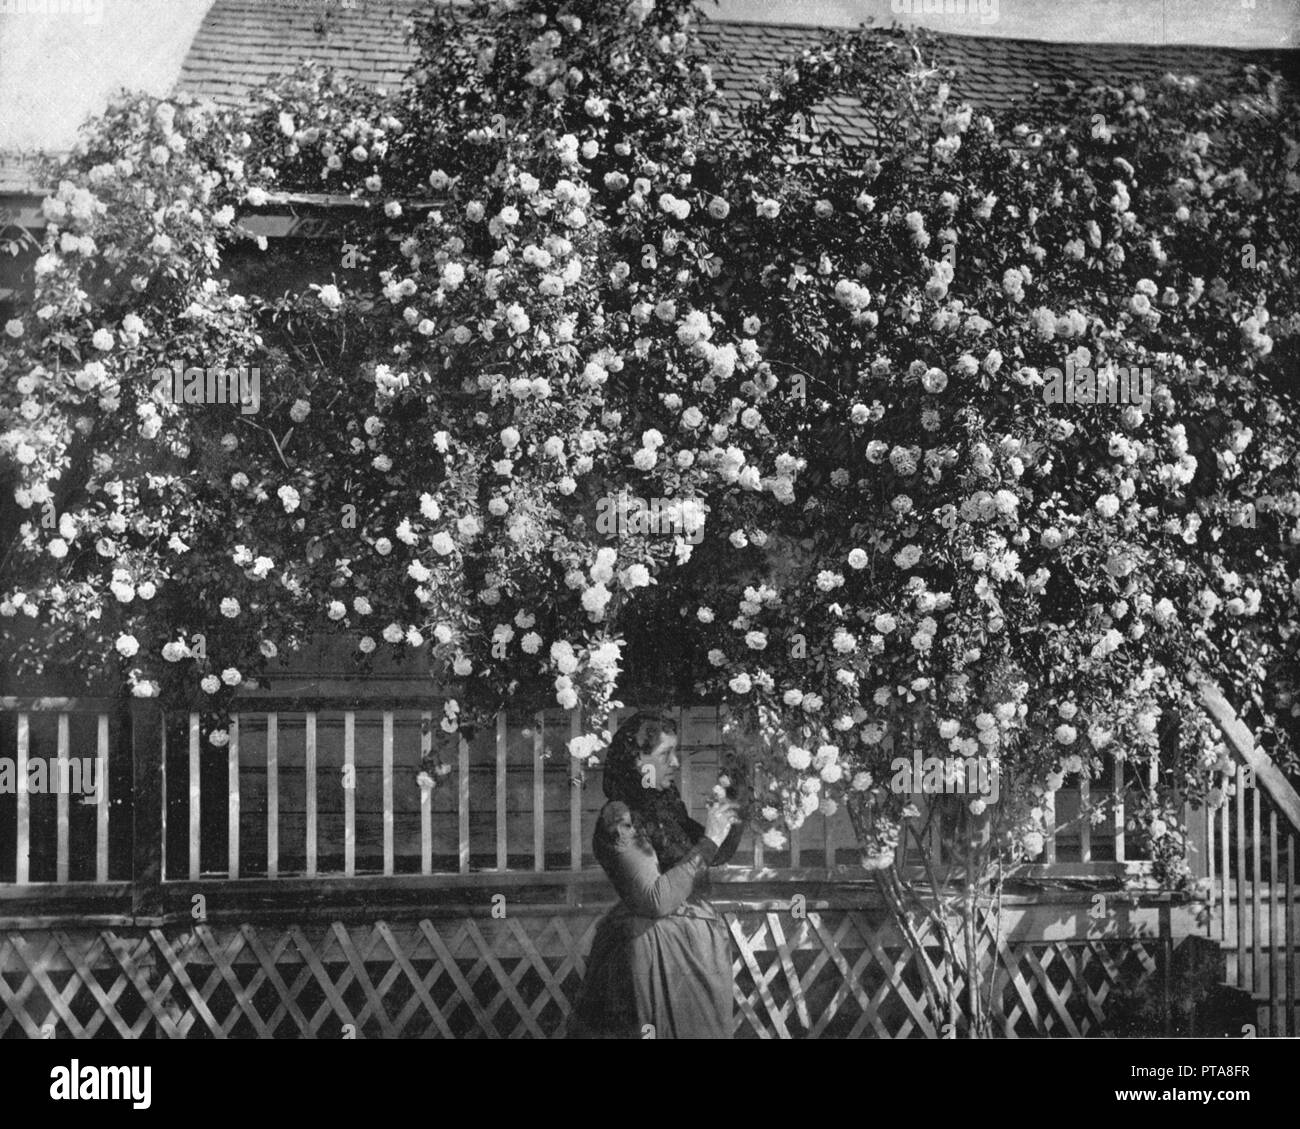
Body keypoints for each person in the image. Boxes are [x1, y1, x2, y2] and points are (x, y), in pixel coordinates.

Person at [568, 710, 745, 1038]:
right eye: (665, 754)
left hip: (695, 956)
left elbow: (713, 855)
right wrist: (710, 840)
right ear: (637, 762)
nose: (675, 763)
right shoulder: (619, 816)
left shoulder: (665, 808)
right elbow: (653, 900)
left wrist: (732, 812)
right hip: (650, 958)